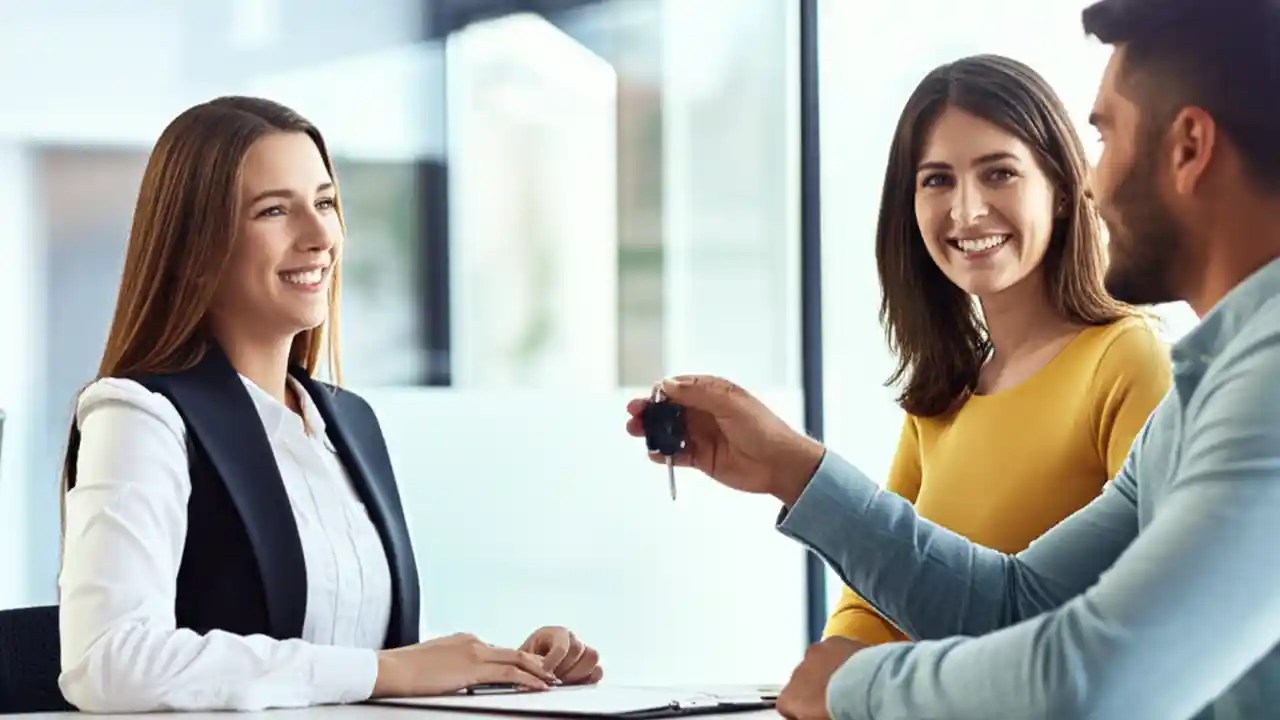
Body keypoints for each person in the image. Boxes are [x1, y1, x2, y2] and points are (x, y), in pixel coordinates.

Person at [626, 0, 1280, 716]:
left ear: (1189, 147)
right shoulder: (1203, 391)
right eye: (936, 180)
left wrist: (855, 687)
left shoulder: (1262, 384)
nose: (1093, 183)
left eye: (1106, 135)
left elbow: (1093, 677)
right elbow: (1014, 604)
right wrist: (789, 466)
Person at [58, 96, 602, 714]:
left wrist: (502, 668)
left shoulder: (350, 423)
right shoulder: (141, 415)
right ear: (194, 247)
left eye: (324, 203)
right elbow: (108, 661)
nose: (320, 237)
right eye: (274, 210)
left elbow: (366, 664)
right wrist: (386, 671)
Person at [821, 54, 1170, 650]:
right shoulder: (944, 393)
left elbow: (1150, 610)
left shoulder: (1125, 360)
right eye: (937, 180)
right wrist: (832, 668)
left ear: (1063, 190)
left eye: (999, 173)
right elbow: (872, 595)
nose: (967, 210)